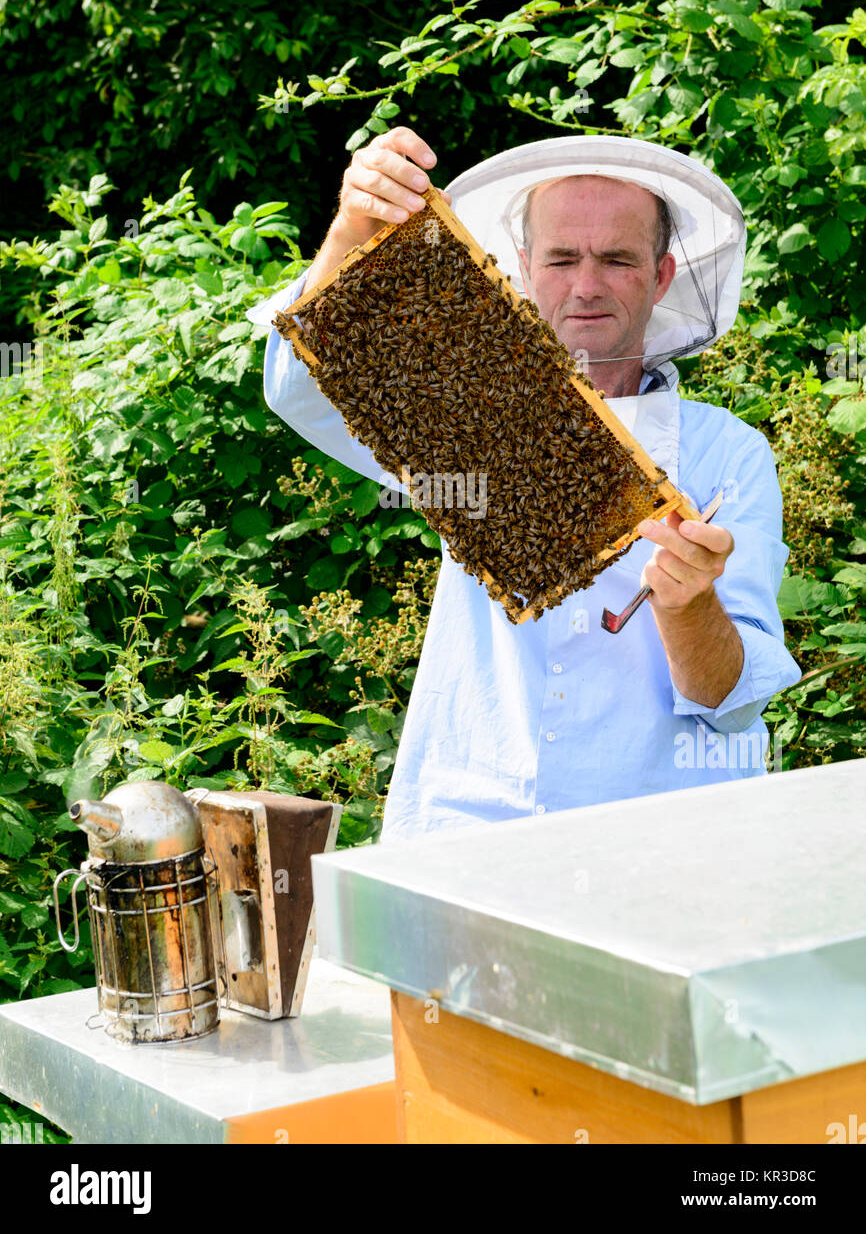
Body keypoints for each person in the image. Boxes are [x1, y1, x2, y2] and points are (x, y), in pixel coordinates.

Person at [247, 127, 801, 841]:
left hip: (658, 846)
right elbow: (300, 385)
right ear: (523, 264)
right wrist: (355, 231)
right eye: (563, 257)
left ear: (663, 276)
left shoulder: (729, 454)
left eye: (617, 259)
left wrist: (690, 604)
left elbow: (728, 701)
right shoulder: (461, 410)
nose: (586, 284)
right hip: (470, 827)